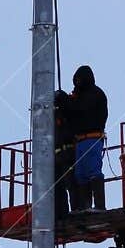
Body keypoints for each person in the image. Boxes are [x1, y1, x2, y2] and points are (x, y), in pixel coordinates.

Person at [68, 64, 108, 211]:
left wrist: (68, 101)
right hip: (81, 141)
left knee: (93, 171)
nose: (77, 82)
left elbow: (80, 110)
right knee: (80, 174)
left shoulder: (94, 94)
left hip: (92, 139)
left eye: (79, 79)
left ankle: (99, 206)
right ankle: (86, 207)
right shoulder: (83, 96)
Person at [53, 89, 75, 223]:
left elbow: (64, 134)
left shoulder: (65, 115)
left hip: (64, 155)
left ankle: (65, 212)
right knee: (63, 185)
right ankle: (63, 212)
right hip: (61, 156)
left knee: (67, 184)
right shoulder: (62, 114)